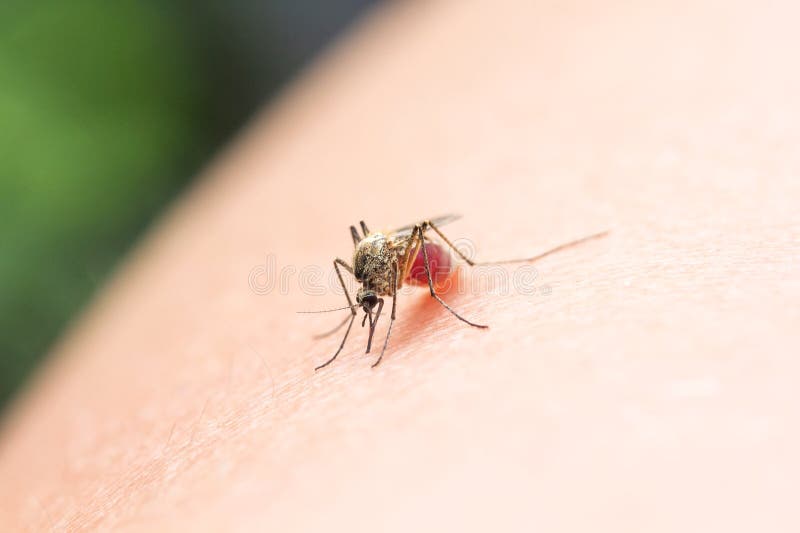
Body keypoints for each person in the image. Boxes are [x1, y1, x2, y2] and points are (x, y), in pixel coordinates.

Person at [1, 1, 798, 530]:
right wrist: (364, 315)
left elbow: (412, 234)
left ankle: (479, 286)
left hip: (428, 255)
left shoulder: (398, 258)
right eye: (367, 298)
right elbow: (365, 276)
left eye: (368, 298)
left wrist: (435, 284)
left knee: (409, 252)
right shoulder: (368, 271)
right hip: (398, 253)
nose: (368, 298)